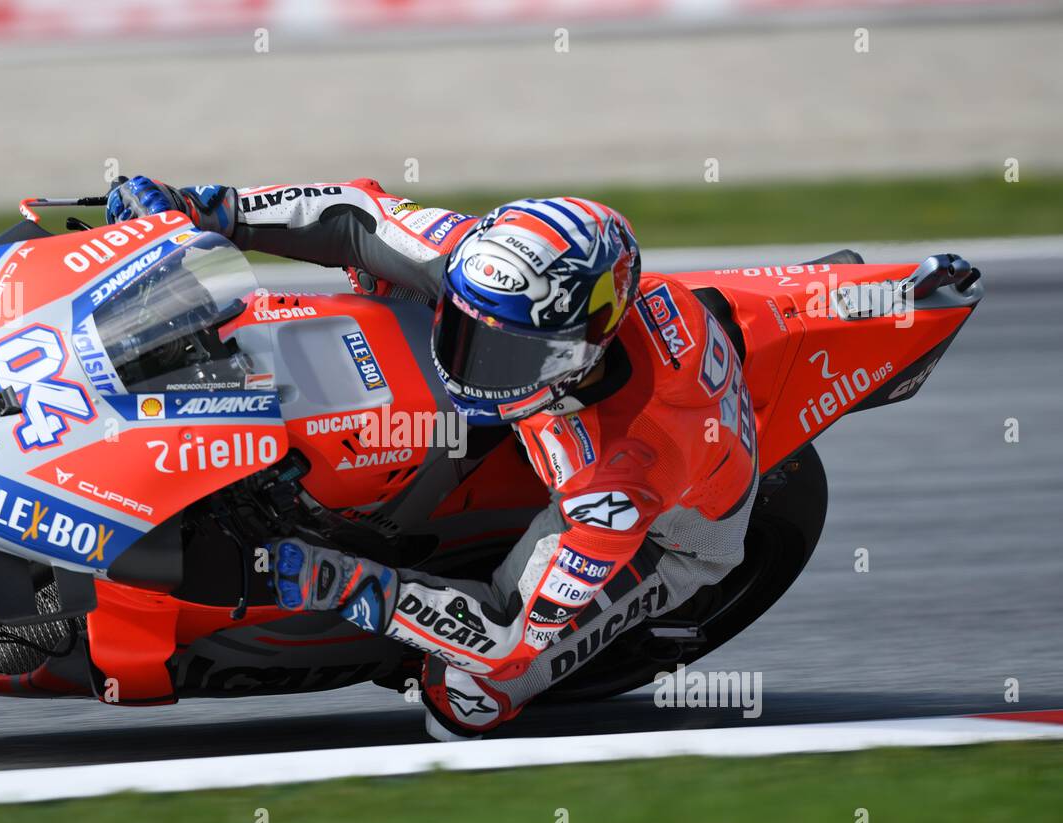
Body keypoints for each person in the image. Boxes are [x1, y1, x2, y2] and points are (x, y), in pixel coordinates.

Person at [107, 175, 758, 740]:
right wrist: (200, 210)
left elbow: (506, 637)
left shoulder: (614, 481)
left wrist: (321, 578)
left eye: (504, 356)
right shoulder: (493, 268)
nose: (470, 368)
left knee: (467, 699)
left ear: (581, 347)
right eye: (463, 331)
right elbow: (356, 213)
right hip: (590, 404)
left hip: (673, 535)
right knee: (381, 267)